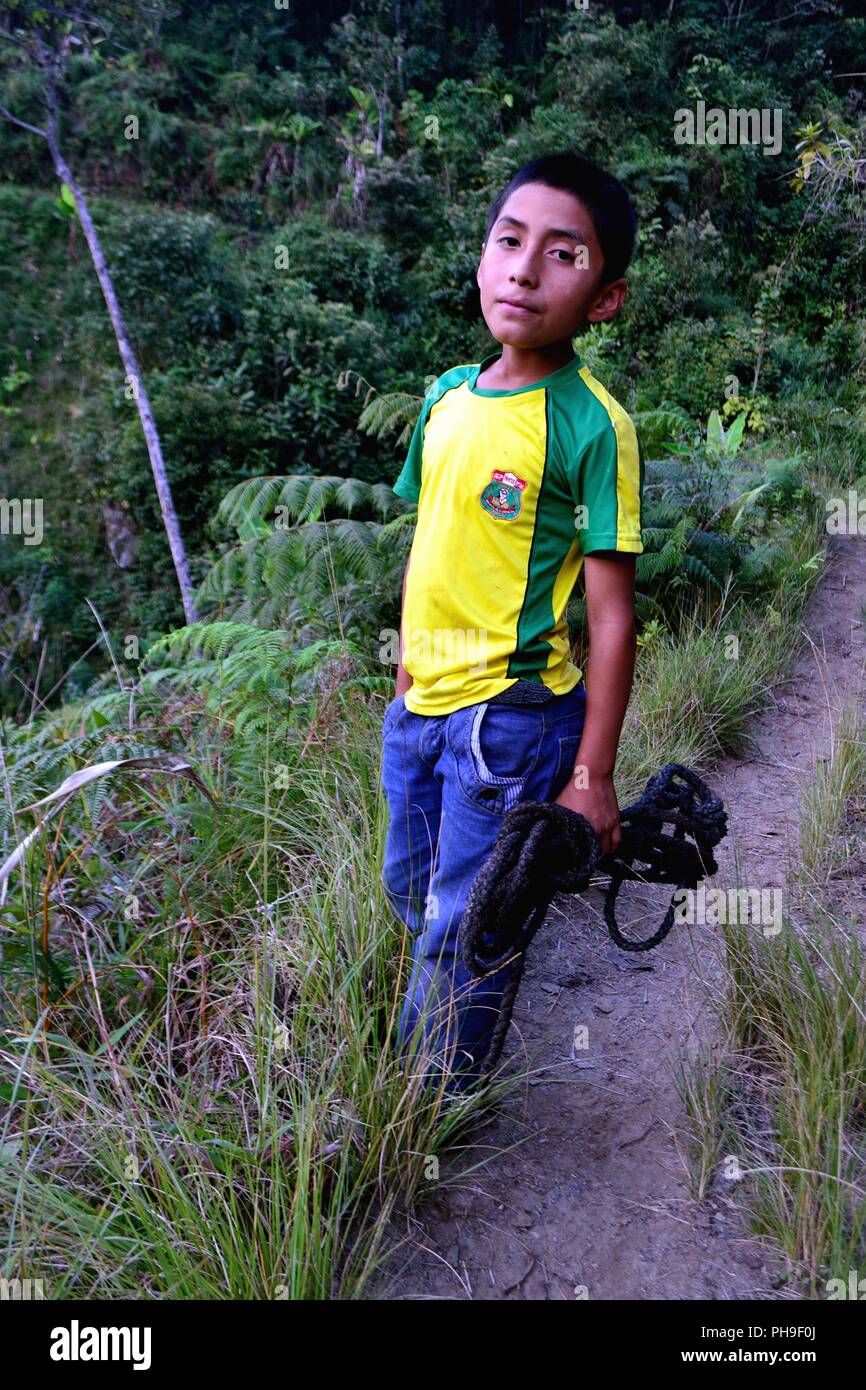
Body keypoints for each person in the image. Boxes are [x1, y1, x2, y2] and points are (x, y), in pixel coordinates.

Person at [379, 151, 644, 1095]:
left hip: (513, 721)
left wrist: (593, 777)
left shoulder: (590, 425)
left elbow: (613, 619)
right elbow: (430, 540)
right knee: (411, 893)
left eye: (563, 254)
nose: (525, 269)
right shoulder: (446, 398)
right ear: (484, 256)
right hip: (420, 705)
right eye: (508, 240)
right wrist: (405, 670)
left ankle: (434, 1103)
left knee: (468, 922)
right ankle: (434, 1045)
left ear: (604, 298)